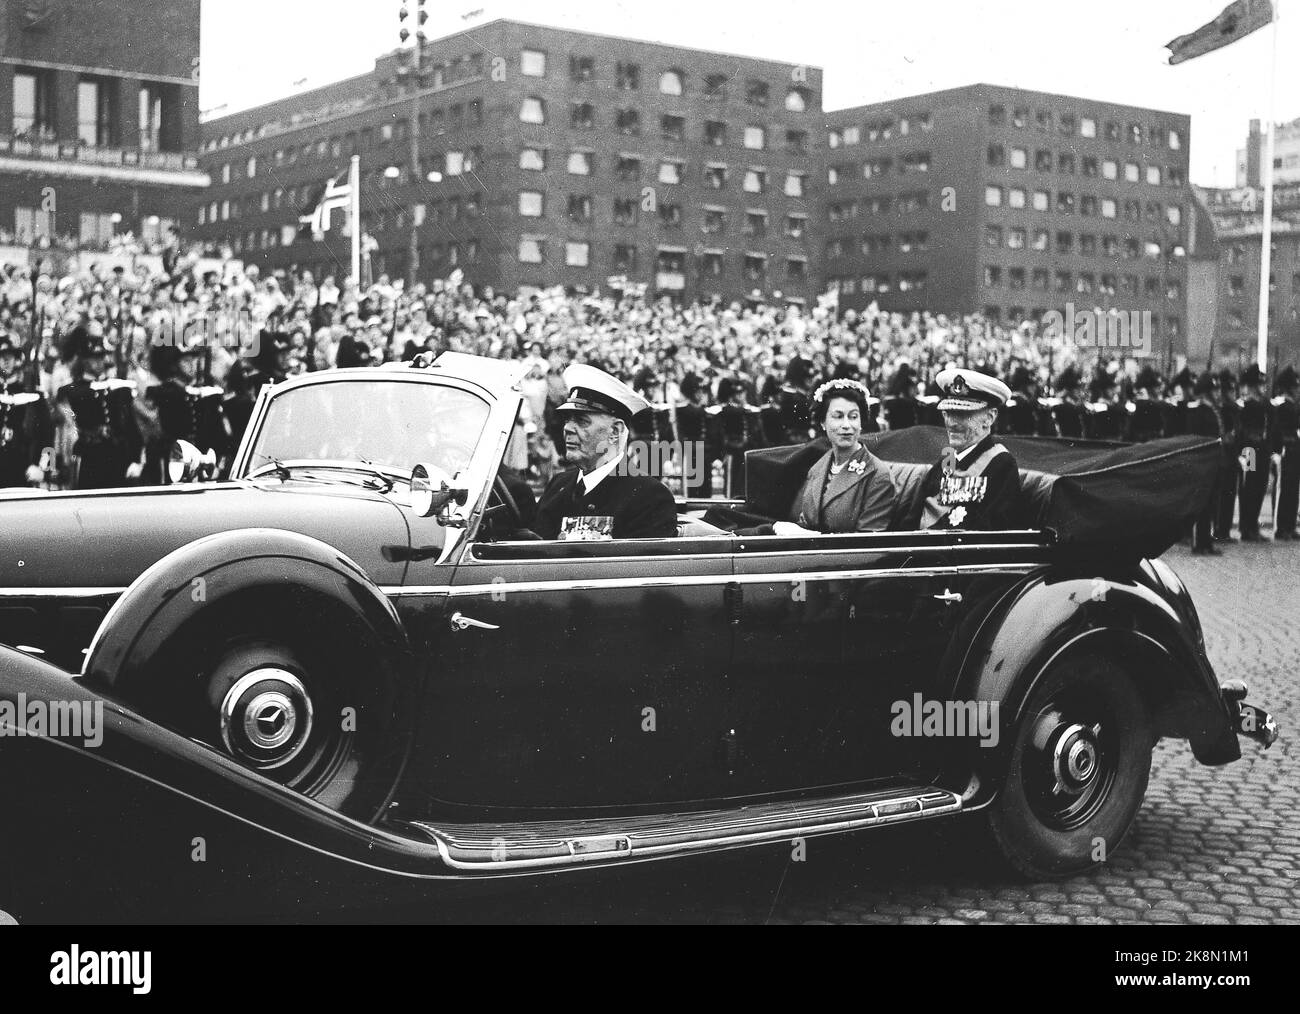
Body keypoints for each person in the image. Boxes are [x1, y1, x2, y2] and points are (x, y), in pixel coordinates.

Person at [531, 364, 677, 541]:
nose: (568, 428)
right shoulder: (558, 485)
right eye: (568, 420)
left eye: (582, 421)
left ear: (615, 432)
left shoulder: (649, 497)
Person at [902, 367, 1021, 530]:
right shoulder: (947, 461)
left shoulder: (1001, 464)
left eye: (963, 415)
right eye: (949, 413)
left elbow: (989, 533)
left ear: (989, 417)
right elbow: (911, 521)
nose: (951, 423)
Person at [771, 379, 896, 535]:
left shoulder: (877, 475)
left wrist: (812, 536)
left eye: (853, 416)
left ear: (861, 422)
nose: (846, 425)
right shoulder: (817, 469)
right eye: (838, 416)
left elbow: (867, 543)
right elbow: (805, 521)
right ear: (823, 422)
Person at [0, 332, 51, 488]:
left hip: (25, 470)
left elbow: (48, 435)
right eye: (1, 357)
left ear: (17, 360)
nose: (6, 361)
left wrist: (43, 468)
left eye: (10, 356)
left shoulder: (33, 394)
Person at [1237, 364, 1270, 542]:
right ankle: (1247, 527)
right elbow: (1244, 431)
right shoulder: (1248, 404)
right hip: (1250, 449)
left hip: (1260, 449)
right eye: (1260, 384)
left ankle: (1252, 525)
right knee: (1250, 487)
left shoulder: (1262, 403)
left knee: (1259, 487)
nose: (1263, 387)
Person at [1273, 365, 1300, 541]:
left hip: (1294, 451)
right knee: (1284, 488)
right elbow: (1279, 431)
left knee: (1293, 490)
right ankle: (1281, 527)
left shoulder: (1292, 406)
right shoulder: (1282, 406)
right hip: (1285, 452)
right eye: (1295, 387)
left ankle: (1289, 525)